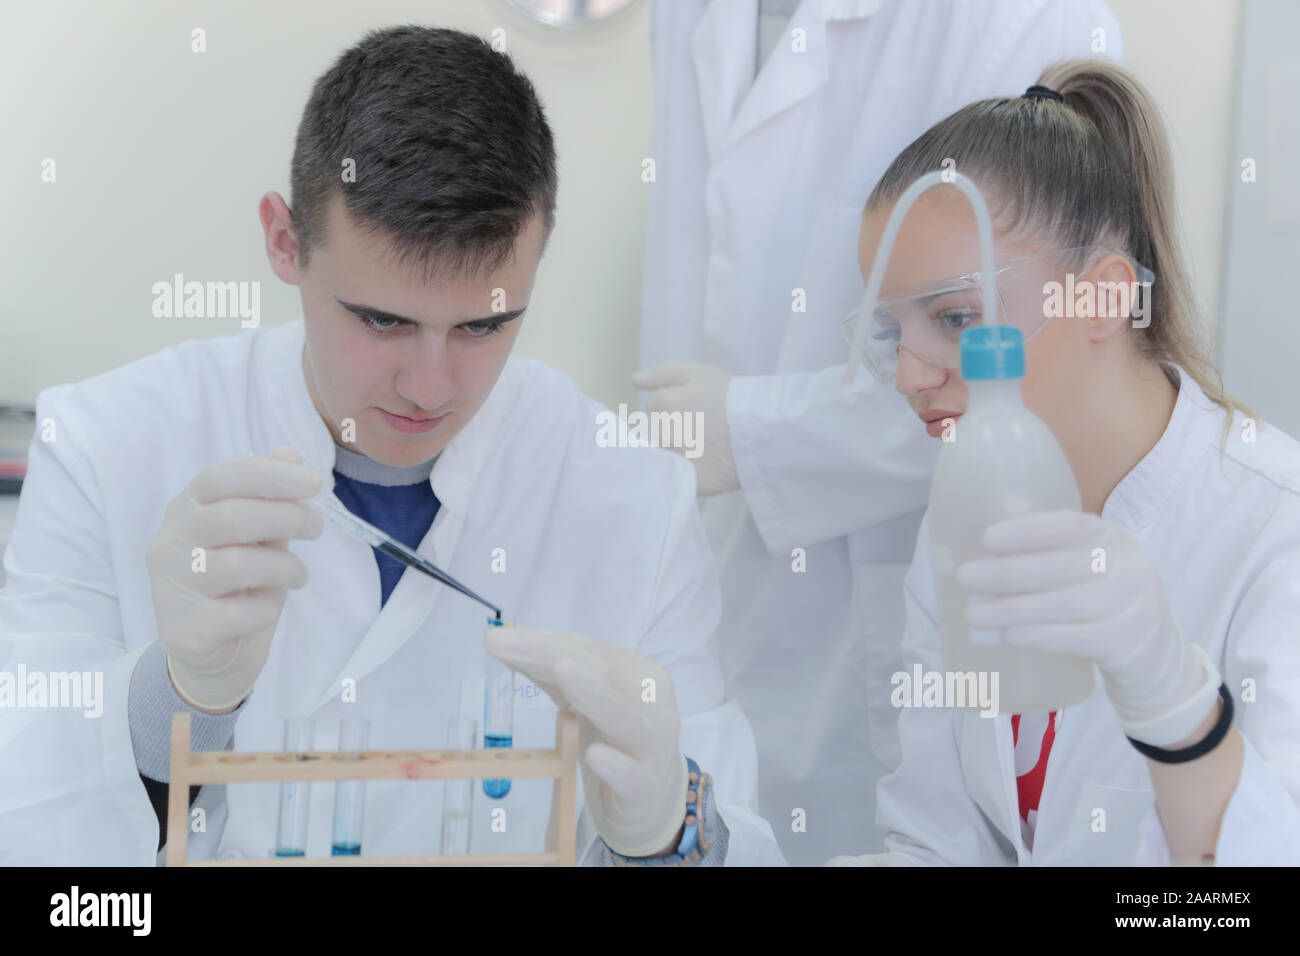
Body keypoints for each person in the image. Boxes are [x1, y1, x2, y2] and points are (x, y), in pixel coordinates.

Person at [0, 25, 783, 867]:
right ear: (284, 241)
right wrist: (175, 701)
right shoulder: (105, 444)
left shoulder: (637, 499)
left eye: (484, 325)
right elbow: (32, 826)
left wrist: (665, 838)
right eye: (383, 320)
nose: (431, 387)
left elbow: (733, 825)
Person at [633, 0, 1124, 864]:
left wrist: (752, 433)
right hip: (706, 559)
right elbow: (696, 257)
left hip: (891, 588)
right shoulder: (688, 16)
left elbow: (1017, 364)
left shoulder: (1021, 18)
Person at [833, 59, 1300, 865]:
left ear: (1102, 297)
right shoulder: (962, 512)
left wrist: (1175, 703)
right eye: (891, 333)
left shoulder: (1273, 532)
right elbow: (936, 841)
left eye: (955, 317)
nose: (912, 373)